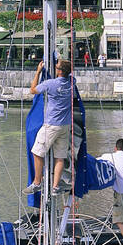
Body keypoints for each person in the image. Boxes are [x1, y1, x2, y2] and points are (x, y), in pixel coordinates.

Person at [26, 58, 76, 194]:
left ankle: (37, 182)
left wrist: (38, 72)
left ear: (59, 71)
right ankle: (55, 187)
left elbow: (33, 90)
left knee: (37, 152)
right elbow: (69, 74)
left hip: (51, 125)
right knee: (59, 157)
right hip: (64, 126)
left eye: (57, 67)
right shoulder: (72, 82)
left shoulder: (50, 84)